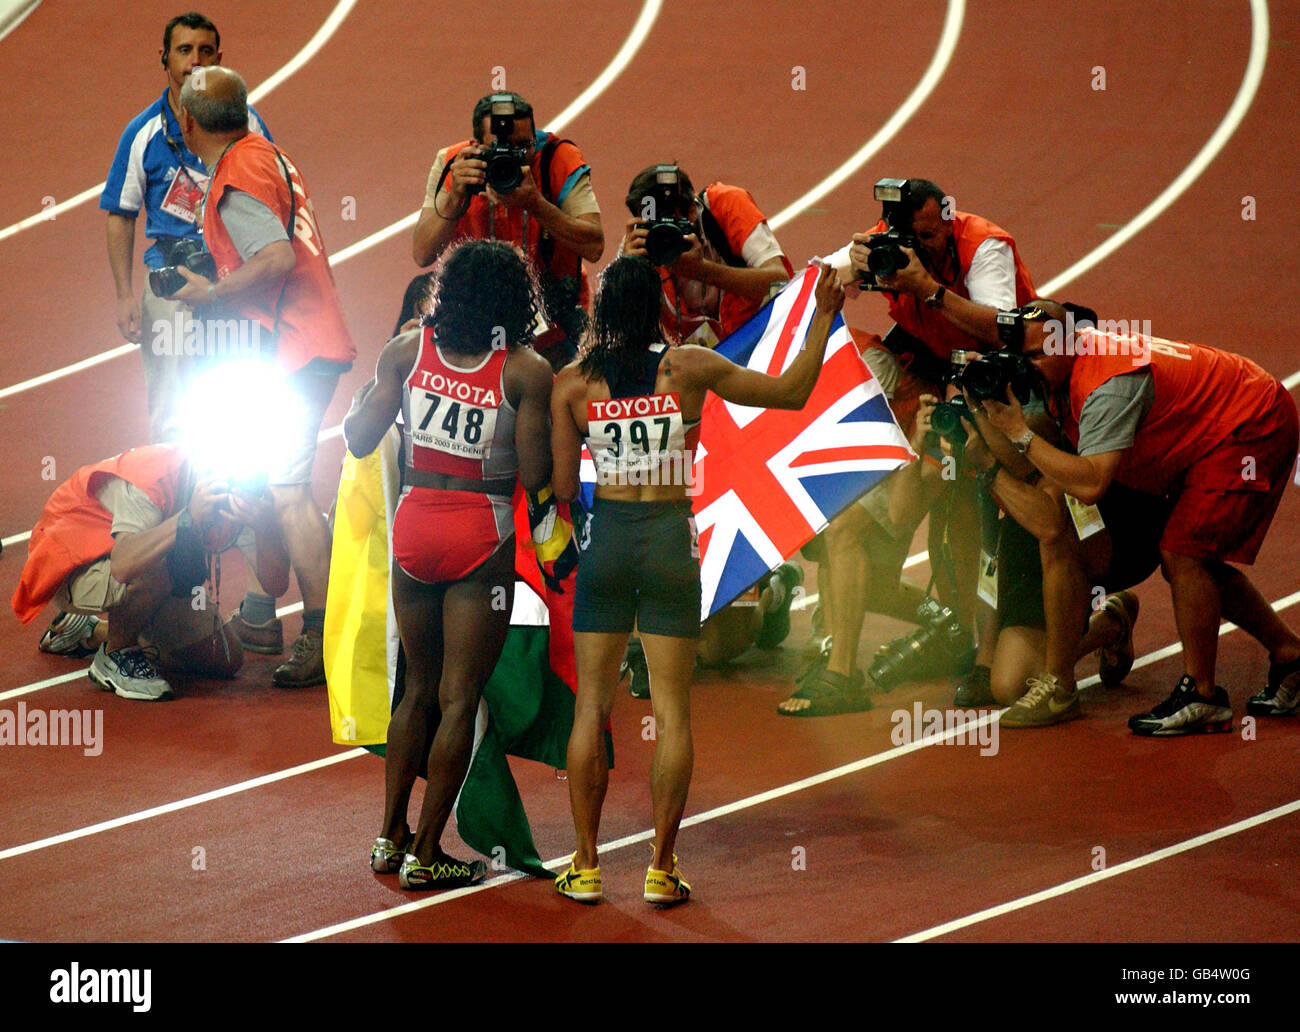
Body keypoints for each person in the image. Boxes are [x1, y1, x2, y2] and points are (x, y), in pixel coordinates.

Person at [550, 256, 843, 905]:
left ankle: (586, 864)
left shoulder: (573, 383)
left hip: (611, 541)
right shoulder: (688, 367)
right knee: (673, 712)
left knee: (591, 708)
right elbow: (792, 392)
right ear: (657, 306)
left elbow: (564, 487)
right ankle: (660, 867)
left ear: (600, 309)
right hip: (669, 544)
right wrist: (821, 316)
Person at [979, 301, 1300, 733]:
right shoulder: (1067, 366)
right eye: (1023, 356)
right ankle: (1288, 654)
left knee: (1182, 554)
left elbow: (1091, 483)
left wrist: (1017, 434)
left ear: (1072, 343)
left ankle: (1203, 696)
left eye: (1036, 356)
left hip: (1249, 422)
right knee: (1190, 559)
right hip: (1211, 424)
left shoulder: (1107, 383)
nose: (1027, 366)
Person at [344, 240, 554, 890]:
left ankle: (388, 836)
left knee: (415, 689)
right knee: (458, 698)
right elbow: (538, 474)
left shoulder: (406, 352)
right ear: (514, 303)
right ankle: (428, 850)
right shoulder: (524, 371)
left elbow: (356, 438)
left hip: (414, 529)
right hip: (477, 537)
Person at [786, 180, 1035, 713]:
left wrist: (928, 288)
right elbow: (807, 290)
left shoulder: (984, 246)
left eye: (927, 234)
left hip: (998, 375)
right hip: (924, 364)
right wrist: (844, 271)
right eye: (909, 237)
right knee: (852, 526)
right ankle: (861, 649)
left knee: (969, 504)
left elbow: (999, 336)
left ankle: (975, 639)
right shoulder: (884, 242)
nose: (917, 246)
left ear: (949, 220)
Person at [164, 65, 355, 689]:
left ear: (188, 122)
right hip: (304, 343)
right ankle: (277, 616)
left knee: (290, 494)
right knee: (277, 489)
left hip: (294, 350)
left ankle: (324, 639)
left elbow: (274, 257)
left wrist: (214, 292)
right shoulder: (264, 153)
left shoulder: (237, 173)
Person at [101, 12, 272, 444]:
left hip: (233, 275)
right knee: (172, 404)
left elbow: (273, 196)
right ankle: (178, 503)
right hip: (171, 281)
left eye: (205, 51)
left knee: (244, 391)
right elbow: (121, 216)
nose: (195, 62)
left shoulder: (247, 125)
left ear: (220, 59)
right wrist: (124, 295)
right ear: (164, 59)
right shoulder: (142, 133)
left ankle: (240, 499)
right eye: (184, 51)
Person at [11, 445, 290, 701]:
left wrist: (266, 528)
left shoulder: (247, 499)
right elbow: (124, 565)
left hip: (137, 568)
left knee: (225, 657)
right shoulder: (154, 478)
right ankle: (114, 655)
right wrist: (188, 516)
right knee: (159, 562)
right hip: (69, 562)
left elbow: (275, 585)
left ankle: (90, 631)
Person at [411, 91, 604, 370]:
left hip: (553, 320)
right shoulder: (453, 163)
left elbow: (594, 246)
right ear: (476, 145)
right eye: (500, 148)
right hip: (476, 317)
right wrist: (455, 199)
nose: (514, 157)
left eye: (523, 146)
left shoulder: (558, 158)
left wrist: (536, 204)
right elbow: (422, 253)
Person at [620, 164, 793, 347]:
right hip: (712, 362)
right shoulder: (641, 245)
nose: (663, 235)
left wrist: (703, 271)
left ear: (692, 212)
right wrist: (627, 275)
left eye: (671, 222)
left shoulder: (726, 204)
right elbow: (621, 337)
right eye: (653, 224)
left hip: (769, 337)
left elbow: (779, 280)